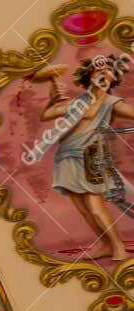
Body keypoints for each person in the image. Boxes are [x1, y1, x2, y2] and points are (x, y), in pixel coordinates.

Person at [39, 54, 134, 263]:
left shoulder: (112, 102)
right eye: (98, 70)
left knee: (95, 207)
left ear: (113, 77)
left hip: (91, 155)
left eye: (108, 70)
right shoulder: (78, 101)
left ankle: (118, 245)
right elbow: (46, 115)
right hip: (66, 155)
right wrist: (53, 98)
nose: (103, 73)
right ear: (89, 76)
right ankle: (106, 245)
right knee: (83, 209)